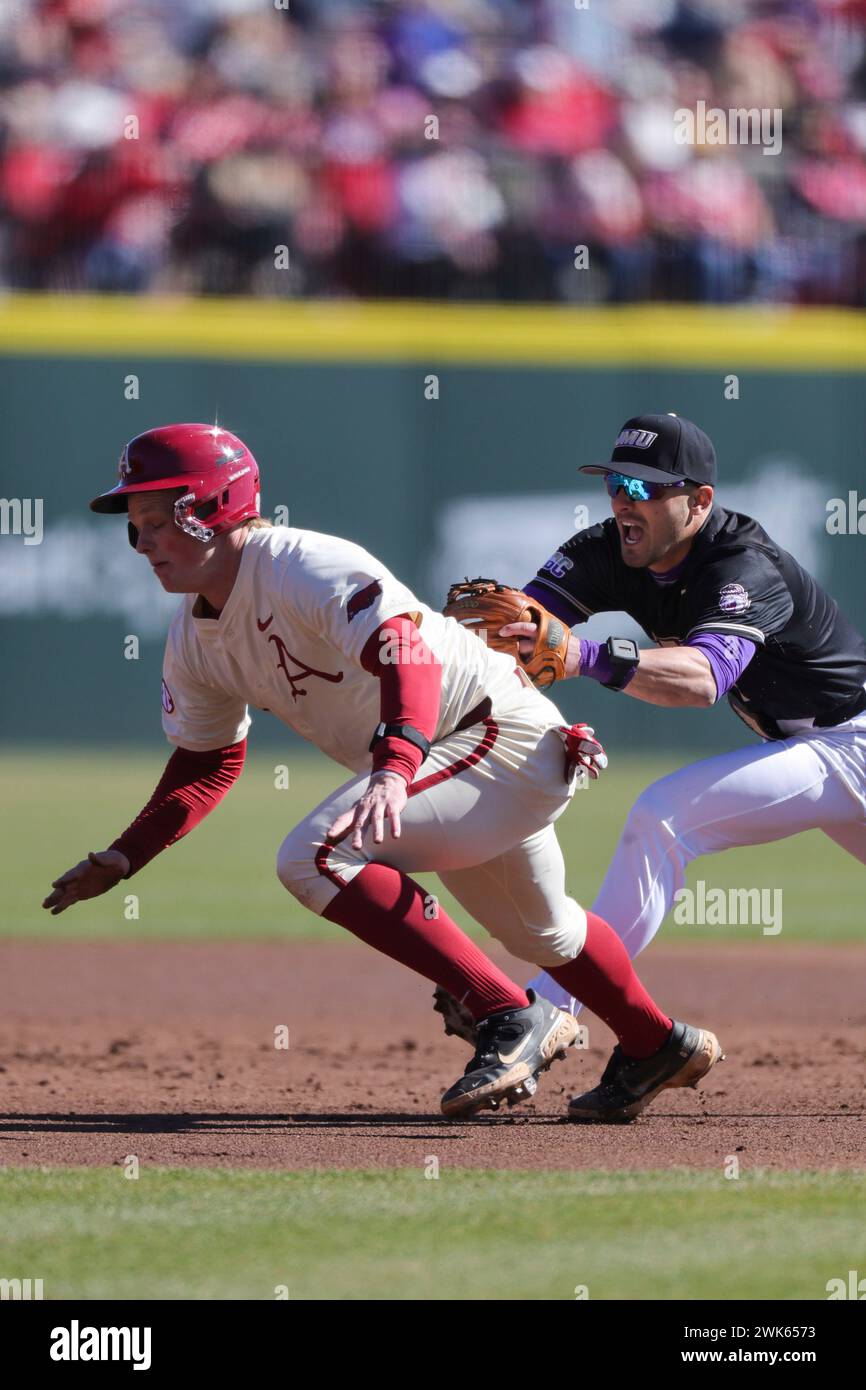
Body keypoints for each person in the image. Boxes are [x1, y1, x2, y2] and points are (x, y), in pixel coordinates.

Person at [42, 422, 722, 1123]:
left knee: (315, 856)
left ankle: (506, 1016)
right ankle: (656, 1042)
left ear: (209, 506)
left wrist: (394, 769)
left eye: (157, 520)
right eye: (136, 527)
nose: (142, 542)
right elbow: (208, 761)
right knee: (544, 934)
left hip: (495, 734)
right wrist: (125, 856)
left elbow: (406, 653)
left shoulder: (300, 563)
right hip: (460, 760)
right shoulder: (194, 641)